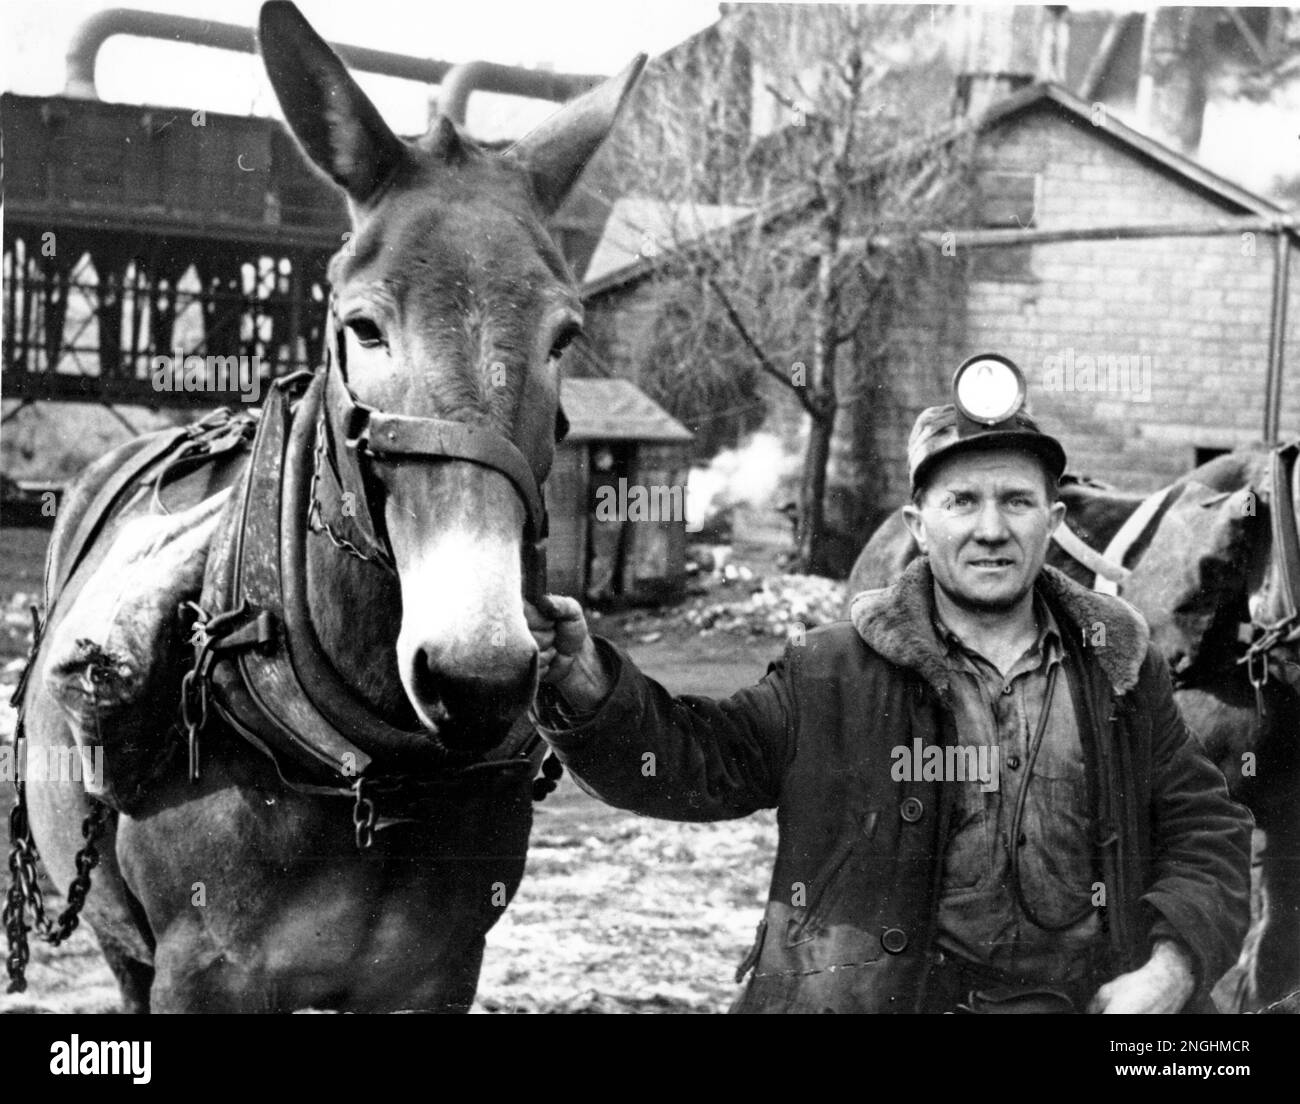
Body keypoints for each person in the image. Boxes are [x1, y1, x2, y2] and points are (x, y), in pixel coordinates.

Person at [526, 354, 1253, 1014]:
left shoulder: (1120, 669)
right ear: (918, 523)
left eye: (1017, 501)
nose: (991, 529)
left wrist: (1172, 968)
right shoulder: (832, 672)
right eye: (962, 502)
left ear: (1054, 521)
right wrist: (586, 681)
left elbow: (1204, 829)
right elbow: (693, 760)